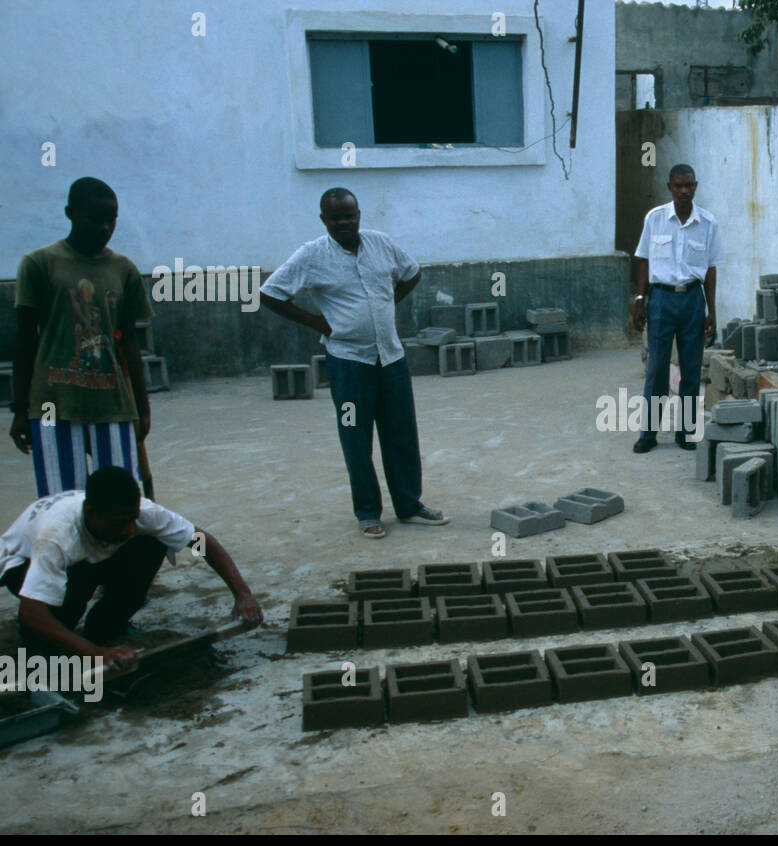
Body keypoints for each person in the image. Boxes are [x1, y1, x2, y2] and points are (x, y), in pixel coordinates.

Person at [259, 188, 448, 539]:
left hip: (391, 360)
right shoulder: (311, 255)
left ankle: (408, 505)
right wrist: (314, 321)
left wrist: (390, 301)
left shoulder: (381, 243)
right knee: (356, 438)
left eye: (350, 215)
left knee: (402, 435)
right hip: (348, 365)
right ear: (323, 220)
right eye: (336, 217)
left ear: (359, 214)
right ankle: (367, 512)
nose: (344, 222)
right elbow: (269, 293)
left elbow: (411, 272)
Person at [0, 466, 263, 668]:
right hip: (21, 564)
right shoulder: (57, 537)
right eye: (120, 522)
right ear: (91, 512)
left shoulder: (140, 514)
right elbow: (31, 612)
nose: (128, 529)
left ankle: (106, 625)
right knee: (61, 616)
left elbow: (199, 542)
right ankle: (45, 644)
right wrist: (95, 654)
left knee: (151, 542)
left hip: (92, 555)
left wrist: (242, 594)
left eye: (132, 519)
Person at [10, 178, 151, 496]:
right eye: (94, 219)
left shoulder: (124, 270)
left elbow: (128, 342)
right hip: (51, 404)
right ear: (70, 213)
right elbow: (25, 340)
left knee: (117, 503)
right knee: (62, 504)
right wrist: (20, 409)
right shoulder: (39, 264)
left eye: (110, 219)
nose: (104, 228)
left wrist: (142, 408)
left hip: (112, 404)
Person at [629, 164, 722, 453]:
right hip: (661, 301)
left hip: (692, 300)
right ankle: (648, 433)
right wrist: (640, 299)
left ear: (696, 186)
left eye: (689, 185)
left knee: (691, 370)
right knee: (656, 370)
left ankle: (685, 432)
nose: (684, 191)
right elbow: (643, 259)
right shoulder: (655, 219)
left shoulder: (708, 223)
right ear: (669, 186)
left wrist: (712, 310)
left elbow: (710, 270)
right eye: (678, 185)